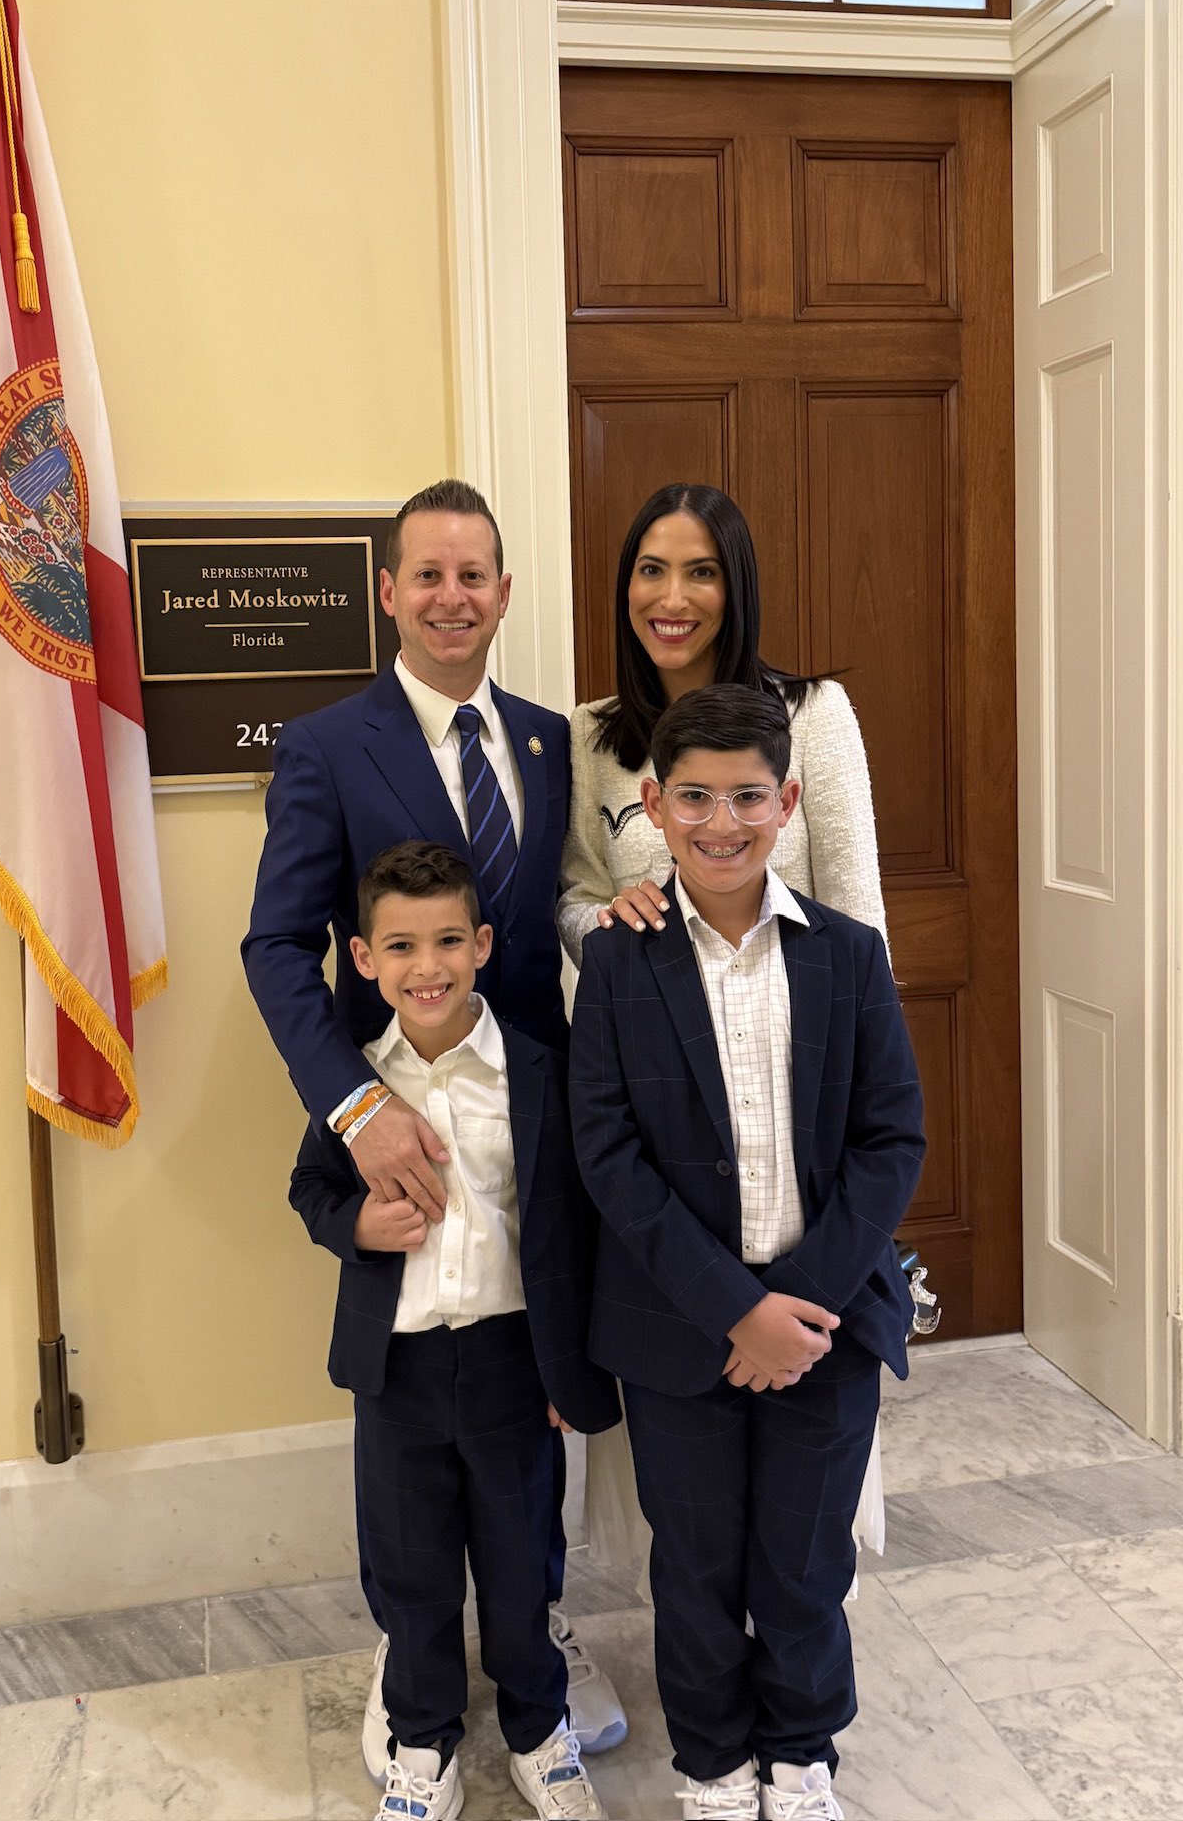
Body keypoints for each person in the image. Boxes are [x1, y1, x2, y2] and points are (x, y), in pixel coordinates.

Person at [243, 479, 626, 1767]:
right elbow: (278, 945)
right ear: (389, 592)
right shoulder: (326, 743)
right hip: (401, 1115)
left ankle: (536, 1637)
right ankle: (412, 1664)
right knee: (413, 1453)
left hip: (531, 1120)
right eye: (429, 574)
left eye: (476, 575)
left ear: (505, 593)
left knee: (528, 1415)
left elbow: (563, 907)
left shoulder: (541, 739)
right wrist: (355, 1107)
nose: (453, 596)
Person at [570, 686, 926, 1821]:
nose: (721, 822)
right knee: (699, 1562)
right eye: (695, 797)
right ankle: (715, 1762)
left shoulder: (848, 958)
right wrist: (734, 1308)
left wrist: (799, 1304)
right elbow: (607, 1151)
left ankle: (801, 1753)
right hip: (683, 1334)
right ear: (652, 806)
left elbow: (891, 1136)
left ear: (790, 801)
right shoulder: (621, 966)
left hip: (824, 1324)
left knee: (807, 1557)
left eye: (746, 796)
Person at [557, 481, 888, 1569]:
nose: (673, 596)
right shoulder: (592, 738)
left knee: (801, 1517)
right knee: (688, 1514)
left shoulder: (816, 715)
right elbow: (570, 894)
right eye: (651, 569)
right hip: (669, 1140)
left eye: (700, 569)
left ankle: (799, 1667)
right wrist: (608, 913)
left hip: (797, 1133)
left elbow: (859, 912)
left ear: (735, 584)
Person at [290, 841, 619, 1821]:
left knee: (522, 1560)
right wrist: (356, 1224)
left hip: (515, 1359)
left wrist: (572, 1364)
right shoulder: (352, 1086)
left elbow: (572, 1224)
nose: (425, 965)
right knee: (411, 1562)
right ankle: (423, 1737)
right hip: (399, 1368)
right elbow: (309, 1189)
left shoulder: (537, 1072)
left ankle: (536, 1729)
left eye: (445, 940)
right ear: (363, 957)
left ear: (481, 944)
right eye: (400, 945)